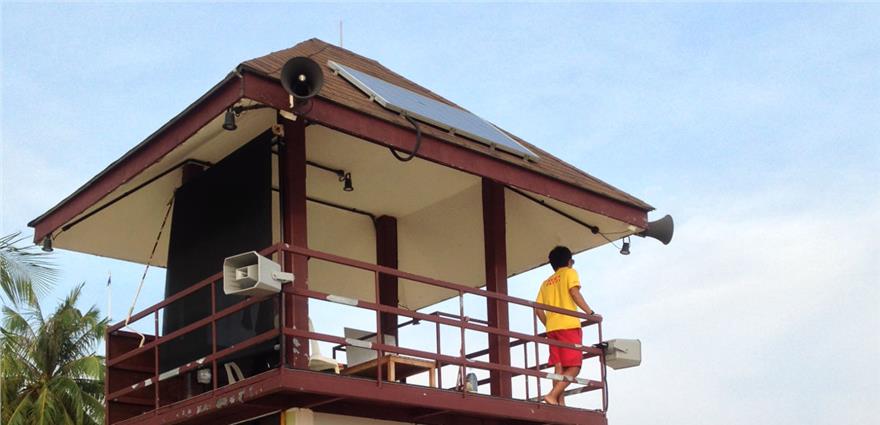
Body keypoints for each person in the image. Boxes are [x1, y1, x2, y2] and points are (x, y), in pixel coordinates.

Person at [535, 246, 595, 406]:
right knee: (575, 366)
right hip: (568, 325)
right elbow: (575, 293)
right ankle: (552, 395)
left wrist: (549, 323)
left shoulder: (545, 283)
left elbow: (537, 308)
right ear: (569, 262)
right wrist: (590, 313)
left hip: (552, 329)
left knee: (559, 366)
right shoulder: (570, 273)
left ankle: (559, 402)